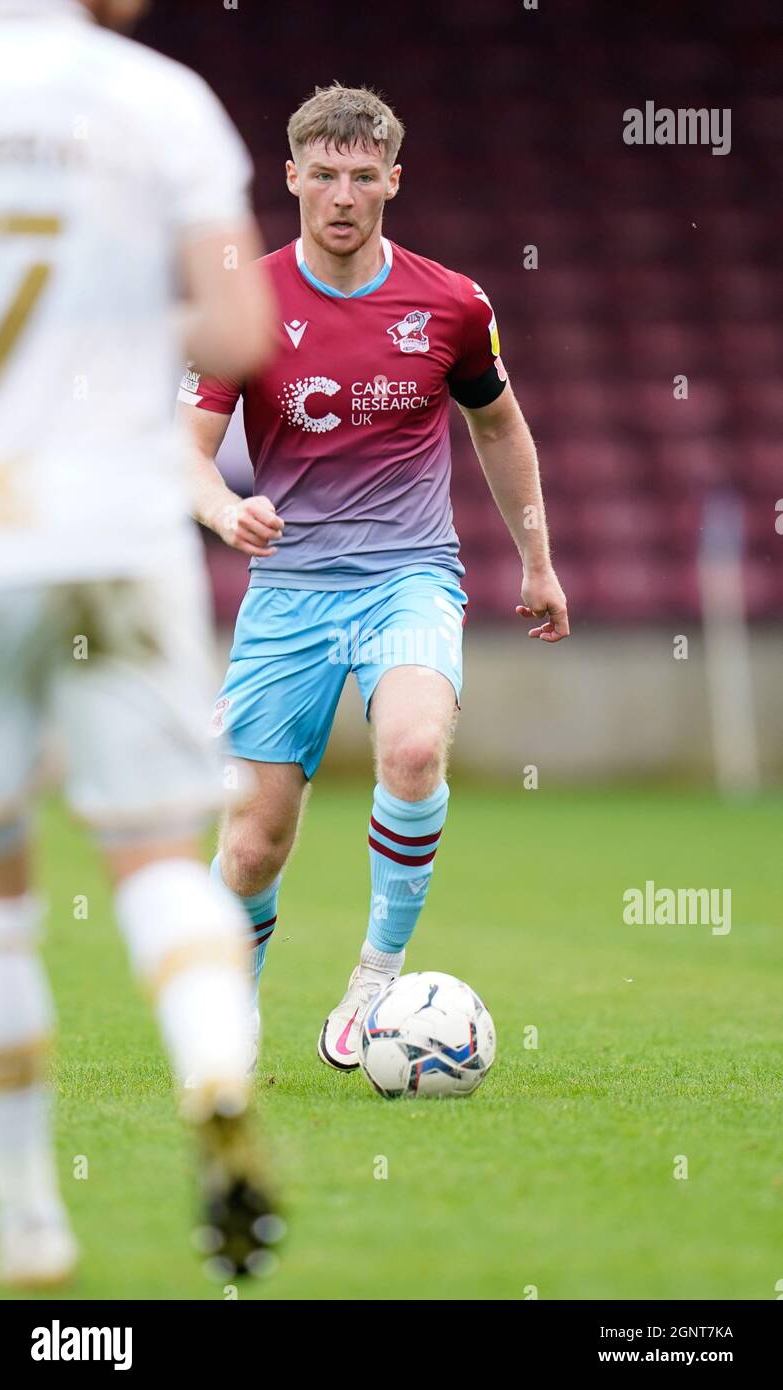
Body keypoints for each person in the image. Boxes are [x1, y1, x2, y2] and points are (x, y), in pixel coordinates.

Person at [178, 82, 569, 1074]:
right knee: (255, 845)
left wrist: (536, 558)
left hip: (408, 578)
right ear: (291, 177)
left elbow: (497, 425)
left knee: (409, 750)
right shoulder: (246, 302)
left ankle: (374, 976)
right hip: (289, 593)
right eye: (323, 175)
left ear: (392, 180)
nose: (342, 195)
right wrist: (224, 509)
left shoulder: (451, 303)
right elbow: (179, 452)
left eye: (362, 176)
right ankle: (232, 1005)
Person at [0, 0, 280, 1287]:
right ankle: (215, 1074)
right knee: (158, 848)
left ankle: (34, 1224)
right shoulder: (158, 98)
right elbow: (237, 341)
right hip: (116, 524)